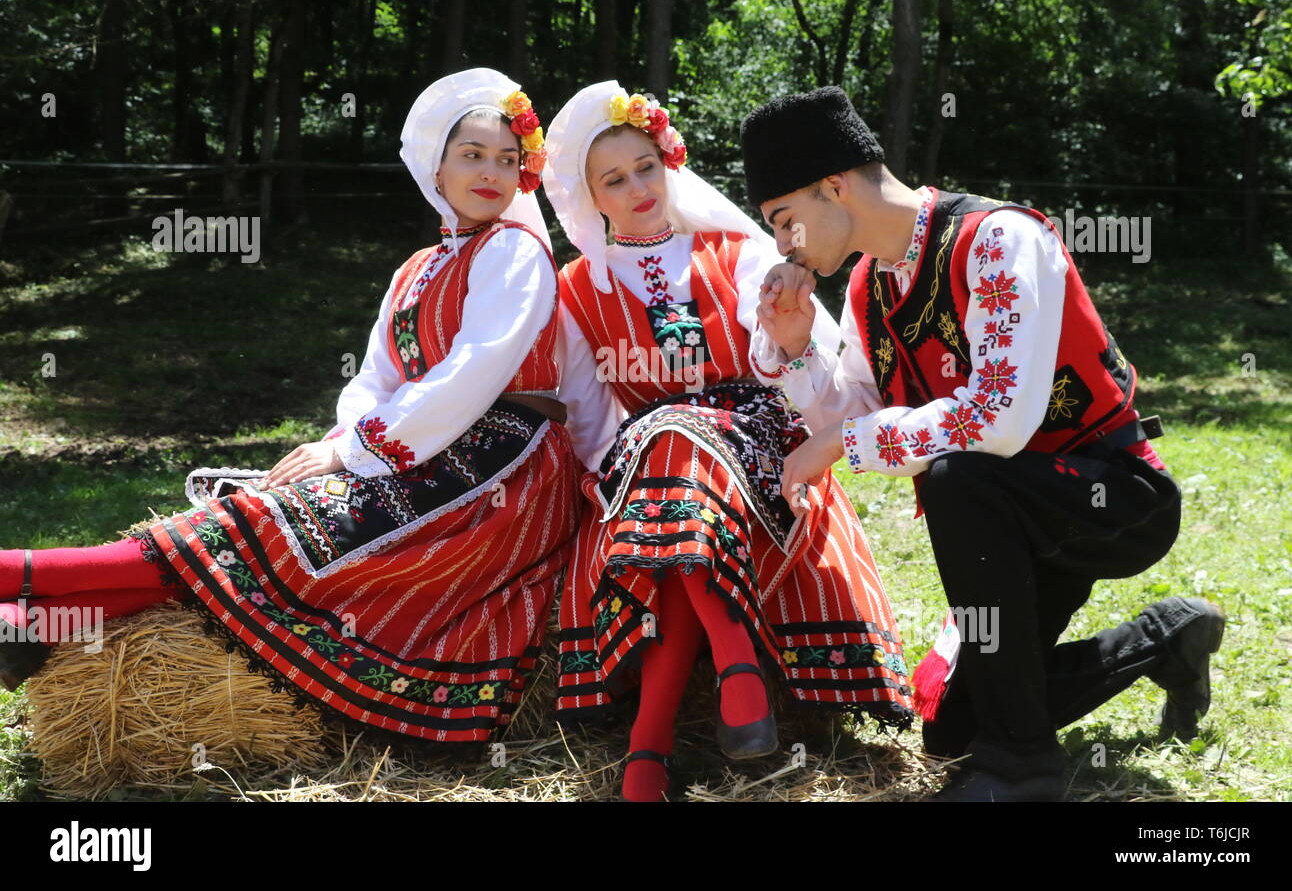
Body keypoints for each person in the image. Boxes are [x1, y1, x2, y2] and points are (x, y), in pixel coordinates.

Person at [0, 68, 580, 745]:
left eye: (508, 160)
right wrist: (346, 441)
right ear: (437, 169)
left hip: (501, 467)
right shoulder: (417, 268)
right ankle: (32, 623)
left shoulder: (517, 251)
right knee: (267, 521)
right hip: (425, 445)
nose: (492, 173)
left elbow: (473, 371)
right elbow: (375, 375)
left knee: (278, 526)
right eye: (472, 156)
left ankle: (15, 573)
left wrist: (353, 451)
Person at [739, 86, 1225, 801]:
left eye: (785, 221)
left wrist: (844, 439)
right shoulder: (872, 286)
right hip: (1007, 520)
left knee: (956, 475)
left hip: (1109, 496)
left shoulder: (996, 239)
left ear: (834, 186)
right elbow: (857, 410)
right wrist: (794, 350)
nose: (784, 246)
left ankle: (1024, 767)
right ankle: (1166, 638)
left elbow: (998, 417)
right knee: (954, 727)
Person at [543, 81, 913, 802]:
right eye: (614, 179)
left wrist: (782, 333)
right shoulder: (577, 287)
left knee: (676, 439)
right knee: (665, 440)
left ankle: (647, 749)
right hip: (649, 457)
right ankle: (731, 664)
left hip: (752, 431)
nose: (638, 187)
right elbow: (588, 409)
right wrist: (598, 474)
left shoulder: (733, 249)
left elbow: (780, 359)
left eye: (647, 166)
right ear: (592, 198)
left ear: (669, 161)